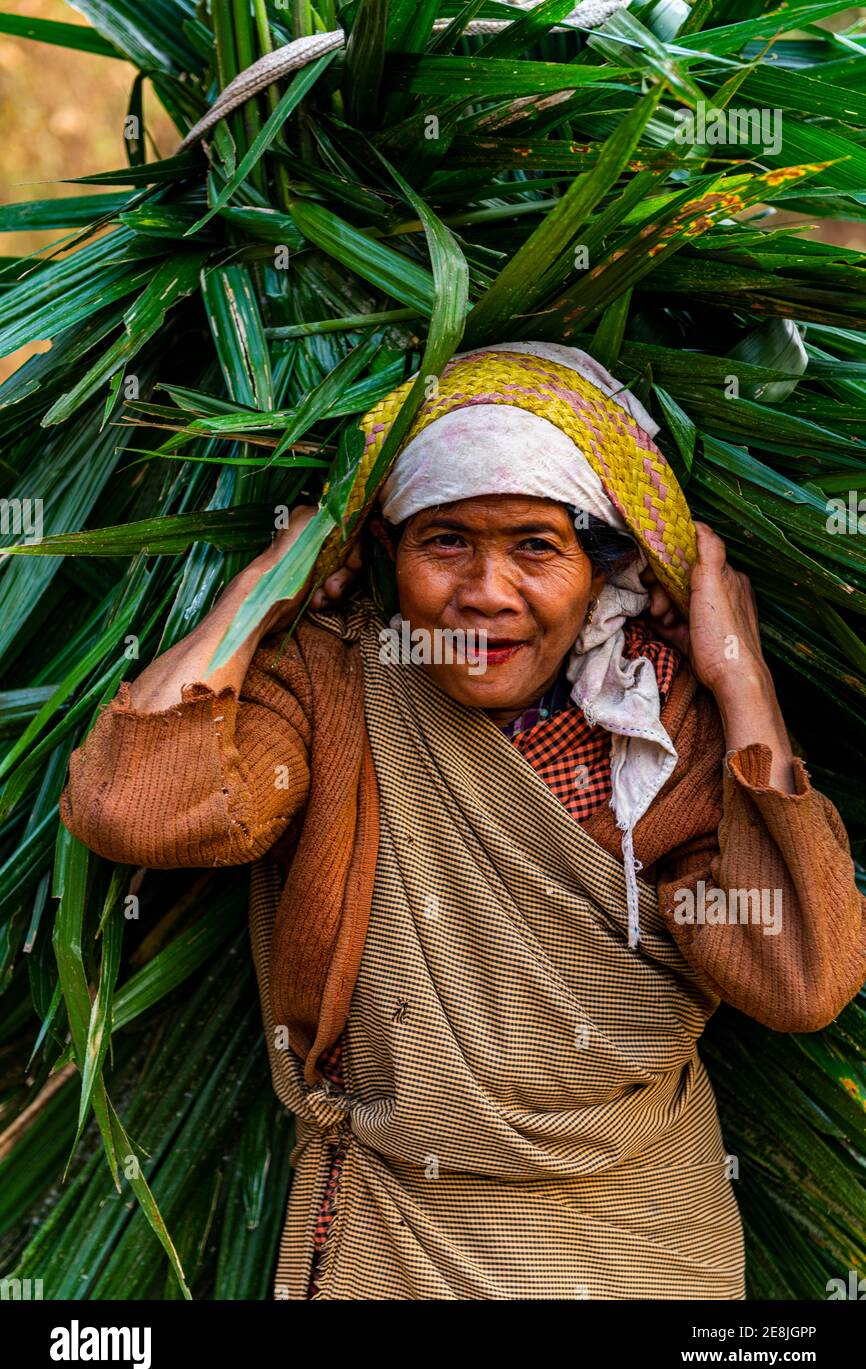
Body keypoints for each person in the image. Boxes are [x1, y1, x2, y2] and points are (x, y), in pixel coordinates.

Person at [59, 341, 866, 1301]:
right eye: (445, 541)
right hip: (393, 1243)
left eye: (536, 545)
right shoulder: (339, 682)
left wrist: (742, 678)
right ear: (384, 557)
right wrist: (273, 581)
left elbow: (803, 977)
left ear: (604, 565)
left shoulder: (657, 725)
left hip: (635, 1248)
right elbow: (129, 808)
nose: (486, 592)